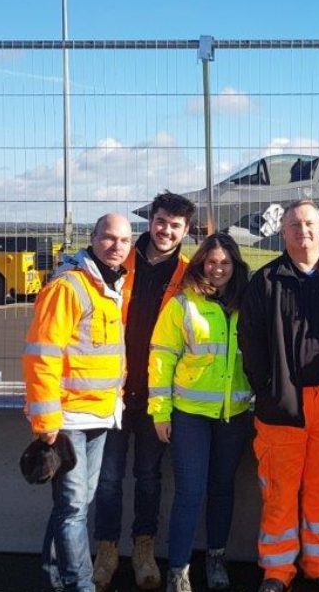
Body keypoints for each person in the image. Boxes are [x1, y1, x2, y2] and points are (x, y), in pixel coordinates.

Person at [238, 199, 319, 592]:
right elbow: (252, 344)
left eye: (310, 223)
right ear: (283, 231)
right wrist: (270, 391)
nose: (302, 231)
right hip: (281, 406)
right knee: (279, 491)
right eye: (294, 224)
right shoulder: (265, 281)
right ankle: (277, 572)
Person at [23, 213, 133, 592]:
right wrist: (46, 421)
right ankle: (80, 584)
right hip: (67, 416)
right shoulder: (68, 287)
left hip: (100, 413)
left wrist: (115, 396)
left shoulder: (113, 287)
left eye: (123, 240)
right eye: (108, 238)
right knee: (73, 509)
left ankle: (53, 576)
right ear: (93, 239)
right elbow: (42, 354)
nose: (116, 246)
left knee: (76, 505)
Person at [93, 192, 195, 591]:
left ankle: (143, 549)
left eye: (175, 225)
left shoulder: (188, 273)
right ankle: (105, 551)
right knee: (109, 479)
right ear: (150, 221)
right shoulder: (119, 262)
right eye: (161, 221)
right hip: (114, 390)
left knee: (149, 476)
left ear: (185, 231)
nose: (166, 230)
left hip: (158, 397)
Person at [149, 233, 254, 592]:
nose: (218, 268)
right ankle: (178, 569)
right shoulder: (182, 305)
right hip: (190, 414)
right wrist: (160, 411)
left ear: (235, 266)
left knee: (222, 489)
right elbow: (161, 358)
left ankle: (216, 558)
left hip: (234, 414)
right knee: (190, 492)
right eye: (211, 262)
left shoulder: (249, 303)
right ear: (200, 264)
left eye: (225, 262)